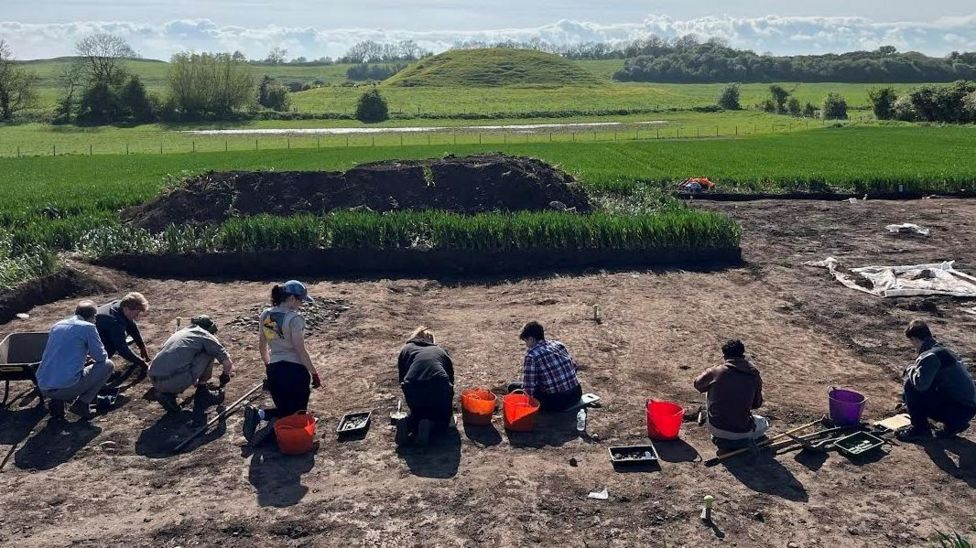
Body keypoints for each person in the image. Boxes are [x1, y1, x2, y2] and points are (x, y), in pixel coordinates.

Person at [243, 280, 322, 445]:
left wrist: (269, 367)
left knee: (286, 409)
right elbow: (300, 350)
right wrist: (314, 372)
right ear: (292, 298)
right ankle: (271, 429)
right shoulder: (295, 319)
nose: (301, 305)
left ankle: (260, 415)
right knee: (297, 414)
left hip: (275, 369)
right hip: (295, 371)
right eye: (300, 301)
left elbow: (262, 346)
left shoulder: (266, 315)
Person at [898, 320, 976, 442]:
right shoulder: (943, 350)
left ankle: (920, 429)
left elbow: (921, 385)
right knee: (920, 386)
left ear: (915, 339)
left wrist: (910, 369)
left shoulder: (930, 356)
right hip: (966, 409)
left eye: (912, 342)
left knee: (911, 384)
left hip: (959, 410)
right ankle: (954, 425)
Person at [36, 300, 114, 420]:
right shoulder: (88, 327)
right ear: (93, 316)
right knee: (107, 365)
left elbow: (61, 352)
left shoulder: (57, 325)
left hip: (43, 386)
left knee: (64, 372)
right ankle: (82, 403)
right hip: (67, 387)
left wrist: (82, 356)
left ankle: (57, 401)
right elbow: (101, 357)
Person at [148, 315, 234, 413]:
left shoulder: (181, 333)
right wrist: (225, 376)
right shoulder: (205, 336)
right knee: (209, 352)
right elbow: (227, 363)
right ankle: (203, 393)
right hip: (173, 382)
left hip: (154, 379)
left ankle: (168, 395)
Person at [694, 339, 768, 448]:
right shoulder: (754, 375)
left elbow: (697, 384)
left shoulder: (715, 372)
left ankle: (721, 437)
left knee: (710, 387)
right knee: (764, 423)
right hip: (742, 431)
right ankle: (740, 441)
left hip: (716, 428)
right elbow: (756, 404)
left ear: (724, 355)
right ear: (742, 355)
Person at [396, 327, 455, 445]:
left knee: (418, 411)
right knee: (443, 417)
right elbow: (450, 378)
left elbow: (402, 377)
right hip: (439, 384)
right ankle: (430, 424)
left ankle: (408, 423)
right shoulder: (440, 351)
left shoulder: (406, 349)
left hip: (413, 386)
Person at [509, 321, 583, 412]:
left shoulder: (531, 355)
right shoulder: (558, 345)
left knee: (513, 387)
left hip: (558, 403)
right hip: (576, 394)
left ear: (531, 339)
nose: (526, 345)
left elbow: (528, 388)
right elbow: (574, 367)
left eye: (526, 341)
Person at [95, 292, 151, 370]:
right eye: (136, 313)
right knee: (112, 345)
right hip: (86, 342)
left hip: (98, 331)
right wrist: (142, 363)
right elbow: (122, 350)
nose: (137, 316)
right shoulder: (115, 322)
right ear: (126, 309)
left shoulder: (120, 305)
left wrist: (141, 346)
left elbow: (131, 325)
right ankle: (97, 367)